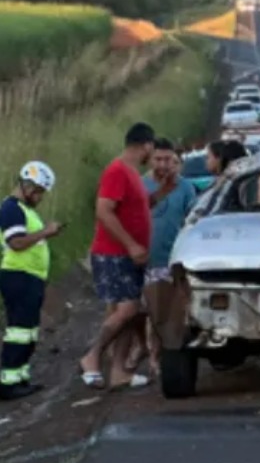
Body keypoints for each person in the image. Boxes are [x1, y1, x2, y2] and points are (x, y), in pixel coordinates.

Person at [78, 122, 156, 391]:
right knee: (127, 309)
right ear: (146, 144)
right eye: (152, 148)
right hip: (114, 254)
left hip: (129, 256)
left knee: (129, 312)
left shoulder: (132, 173)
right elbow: (104, 211)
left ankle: (119, 371)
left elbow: (133, 209)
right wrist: (131, 245)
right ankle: (92, 355)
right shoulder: (117, 171)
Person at [130, 139, 196, 378]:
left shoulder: (186, 187)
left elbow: (192, 220)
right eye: (159, 159)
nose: (164, 164)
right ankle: (139, 348)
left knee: (165, 314)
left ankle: (158, 358)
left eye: (168, 159)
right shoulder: (138, 185)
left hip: (170, 262)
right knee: (135, 311)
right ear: (150, 159)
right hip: (140, 260)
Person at [0, 162, 64, 400]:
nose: (39, 197)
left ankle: (20, 377)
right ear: (26, 186)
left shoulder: (24, 211)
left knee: (28, 332)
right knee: (19, 330)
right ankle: (7, 382)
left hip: (30, 277)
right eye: (37, 192)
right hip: (18, 276)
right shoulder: (11, 208)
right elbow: (16, 243)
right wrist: (46, 232)